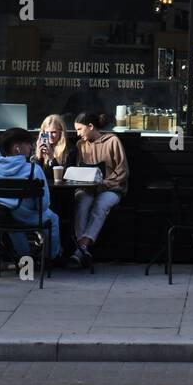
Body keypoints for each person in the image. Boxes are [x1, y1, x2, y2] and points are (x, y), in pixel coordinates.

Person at [0, 127, 62, 266]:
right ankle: (50, 258)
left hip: (4, 218)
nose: (31, 147)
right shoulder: (34, 169)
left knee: (14, 223)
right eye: (28, 144)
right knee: (52, 218)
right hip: (30, 217)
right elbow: (43, 204)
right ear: (17, 148)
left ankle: (26, 260)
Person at [69, 111, 128, 269]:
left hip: (112, 188)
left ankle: (81, 246)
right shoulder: (80, 145)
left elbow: (122, 171)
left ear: (90, 126)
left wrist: (105, 184)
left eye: (80, 129)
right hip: (88, 188)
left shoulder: (112, 141)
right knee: (81, 202)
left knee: (101, 205)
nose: (77, 134)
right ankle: (83, 250)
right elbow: (79, 170)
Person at [32, 113, 74, 178]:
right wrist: (39, 157)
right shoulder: (37, 146)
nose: (49, 136)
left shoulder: (69, 149)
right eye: (46, 132)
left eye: (53, 132)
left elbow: (64, 177)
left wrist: (51, 157)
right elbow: (34, 175)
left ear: (61, 132)